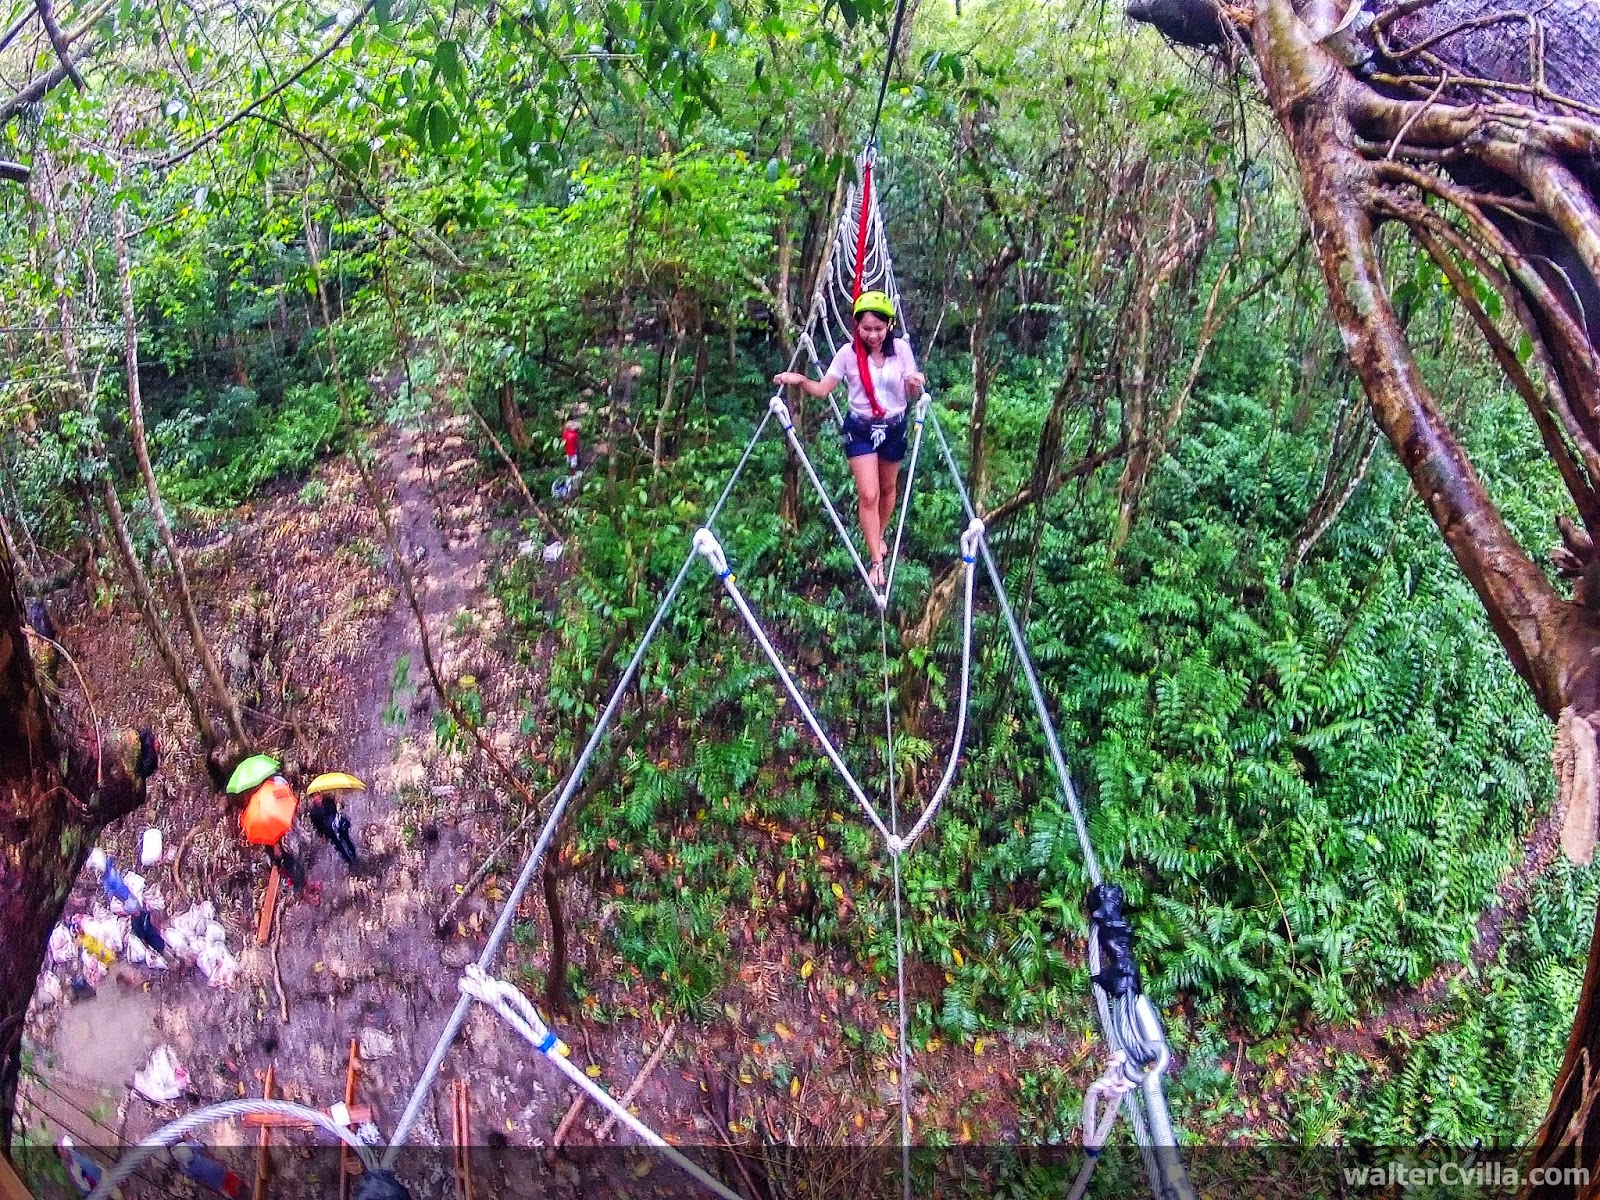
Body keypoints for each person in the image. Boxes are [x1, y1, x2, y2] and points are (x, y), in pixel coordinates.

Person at [774, 290, 925, 589]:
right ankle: (876, 561)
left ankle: (879, 533)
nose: (872, 335)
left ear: (889, 326)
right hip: (860, 429)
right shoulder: (847, 354)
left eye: (879, 329)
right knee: (869, 494)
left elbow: (911, 393)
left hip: (894, 426)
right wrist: (801, 381)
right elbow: (823, 389)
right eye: (866, 329)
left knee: (888, 488)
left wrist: (914, 384)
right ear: (856, 326)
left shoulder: (902, 351)